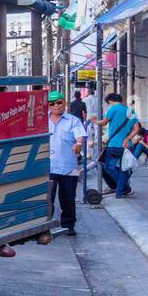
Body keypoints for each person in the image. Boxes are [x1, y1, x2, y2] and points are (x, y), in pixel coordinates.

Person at [47, 91, 86, 236]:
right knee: (47, 199)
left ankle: (68, 225)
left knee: (68, 199)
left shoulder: (73, 121)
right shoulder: (42, 120)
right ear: (48, 106)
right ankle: (45, 226)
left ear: (64, 103)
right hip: (47, 166)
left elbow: (80, 135)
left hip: (68, 166)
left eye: (59, 102)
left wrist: (79, 143)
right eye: (52, 103)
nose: (56, 106)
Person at [90, 91, 138, 198]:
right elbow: (136, 129)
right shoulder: (131, 111)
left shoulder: (113, 108)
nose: (108, 105)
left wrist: (95, 121)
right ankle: (120, 192)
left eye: (108, 103)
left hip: (114, 144)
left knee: (108, 167)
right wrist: (127, 138)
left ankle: (124, 187)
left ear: (110, 101)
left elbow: (104, 122)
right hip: (127, 145)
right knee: (124, 169)